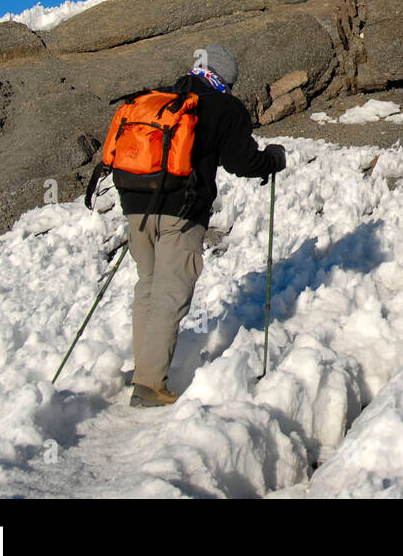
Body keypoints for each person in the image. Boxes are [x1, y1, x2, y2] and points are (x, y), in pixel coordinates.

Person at [118, 44, 286, 407]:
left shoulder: (163, 99)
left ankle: (143, 369)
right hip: (181, 210)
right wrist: (271, 159)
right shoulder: (225, 107)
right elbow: (242, 162)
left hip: (135, 205)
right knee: (169, 292)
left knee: (147, 286)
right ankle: (149, 384)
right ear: (226, 78)